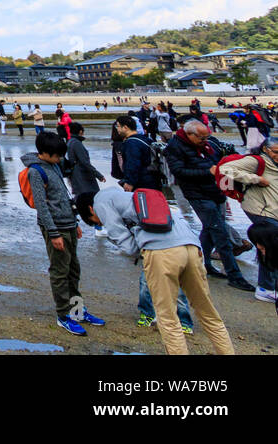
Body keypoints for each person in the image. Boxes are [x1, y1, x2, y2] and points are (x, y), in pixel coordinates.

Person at [87, 187, 234, 355]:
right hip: (191, 245)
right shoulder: (133, 196)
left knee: (168, 319)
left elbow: (121, 238)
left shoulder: (100, 201)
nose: (99, 223)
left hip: (161, 251)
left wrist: (142, 253)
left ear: (90, 209)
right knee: (208, 314)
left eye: (96, 221)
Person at [23, 131, 103, 335]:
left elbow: (64, 197)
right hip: (55, 228)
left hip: (68, 223)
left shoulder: (54, 166)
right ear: (44, 153)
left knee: (73, 270)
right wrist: (53, 233)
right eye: (57, 156)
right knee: (60, 272)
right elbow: (42, 206)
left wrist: (75, 222)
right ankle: (63, 315)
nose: (60, 159)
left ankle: (77, 310)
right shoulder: (35, 172)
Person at [164, 117, 253, 291]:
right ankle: (234, 276)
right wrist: (208, 171)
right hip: (198, 194)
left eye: (206, 137)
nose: (205, 141)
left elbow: (218, 161)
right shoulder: (174, 147)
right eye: (201, 138)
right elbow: (179, 172)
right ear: (189, 134)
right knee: (219, 233)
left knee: (209, 230)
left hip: (216, 191)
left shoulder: (207, 144)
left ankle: (205, 265)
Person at [216, 135, 278, 301]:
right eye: (275, 152)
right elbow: (224, 169)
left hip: (272, 209)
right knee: (269, 247)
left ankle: (270, 286)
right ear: (265, 149)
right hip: (260, 210)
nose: (277, 155)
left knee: (270, 247)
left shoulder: (275, 163)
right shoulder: (257, 161)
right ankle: (266, 288)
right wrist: (256, 179)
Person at [64, 122, 107, 238]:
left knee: (81, 201)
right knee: (91, 201)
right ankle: (98, 227)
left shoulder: (70, 142)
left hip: (76, 176)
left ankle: (94, 226)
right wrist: (98, 174)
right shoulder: (76, 143)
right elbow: (84, 162)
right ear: (80, 132)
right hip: (83, 176)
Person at [112, 114, 160, 192]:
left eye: (118, 126)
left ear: (125, 127)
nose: (117, 129)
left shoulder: (131, 143)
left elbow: (133, 163)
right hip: (153, 179)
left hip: (142, 181)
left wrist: (130, 182)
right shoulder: (145, 139)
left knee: (141, 203)